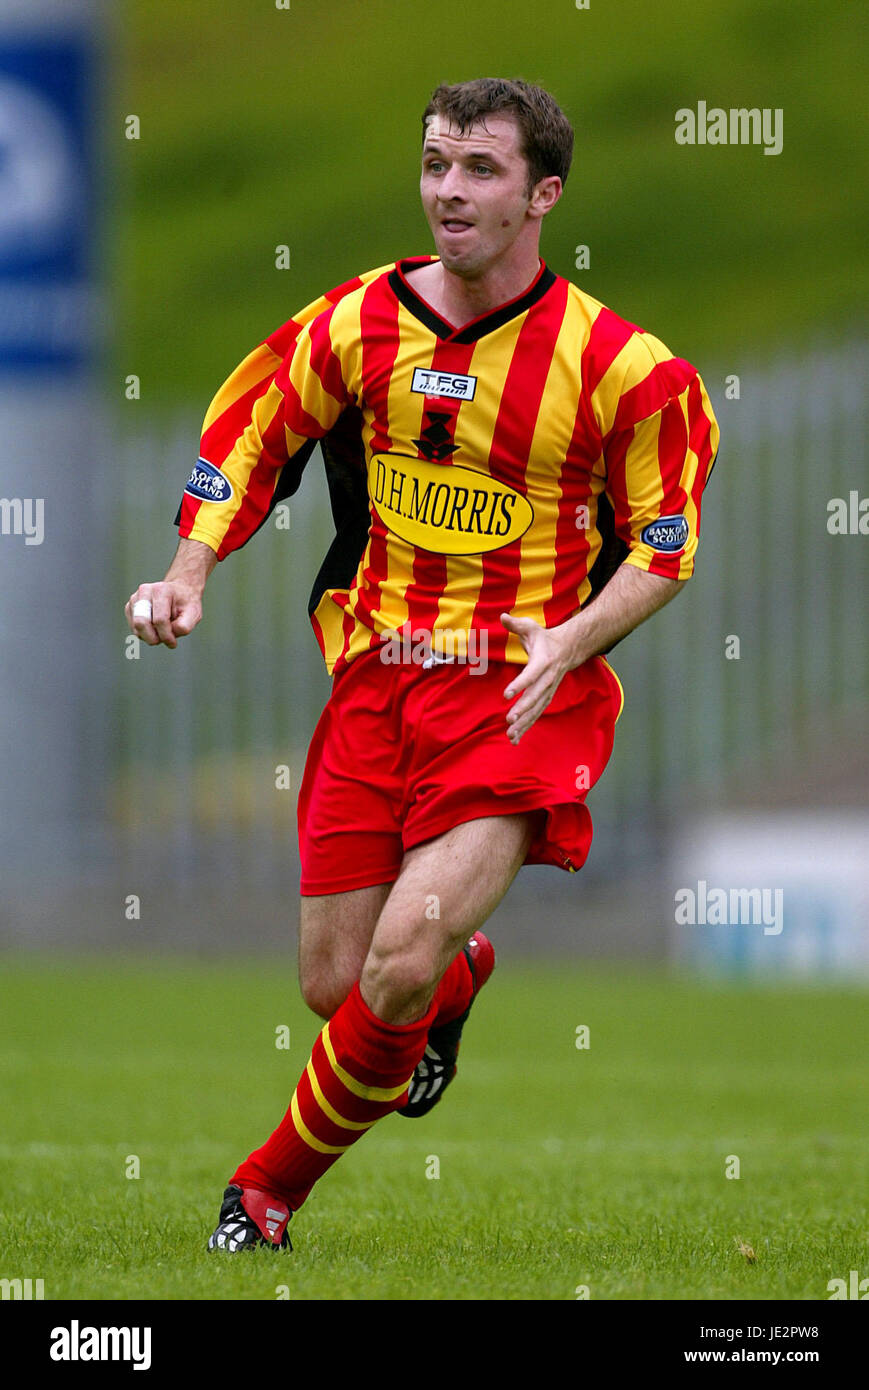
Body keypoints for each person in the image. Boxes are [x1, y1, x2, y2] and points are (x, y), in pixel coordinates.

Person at [125, 77, 719, 1253]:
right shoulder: (355, 321)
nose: (449, 191)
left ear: (543, 193)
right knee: (337, 987)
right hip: (377, 681)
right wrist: (188, 570)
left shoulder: (623, 368)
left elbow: (664, 547)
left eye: (480, 170)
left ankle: (265, 1189)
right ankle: (461, 974)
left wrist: (572, 636)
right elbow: (250, 434)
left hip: (517, 697)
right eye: (436, 164)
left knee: (396, 964)